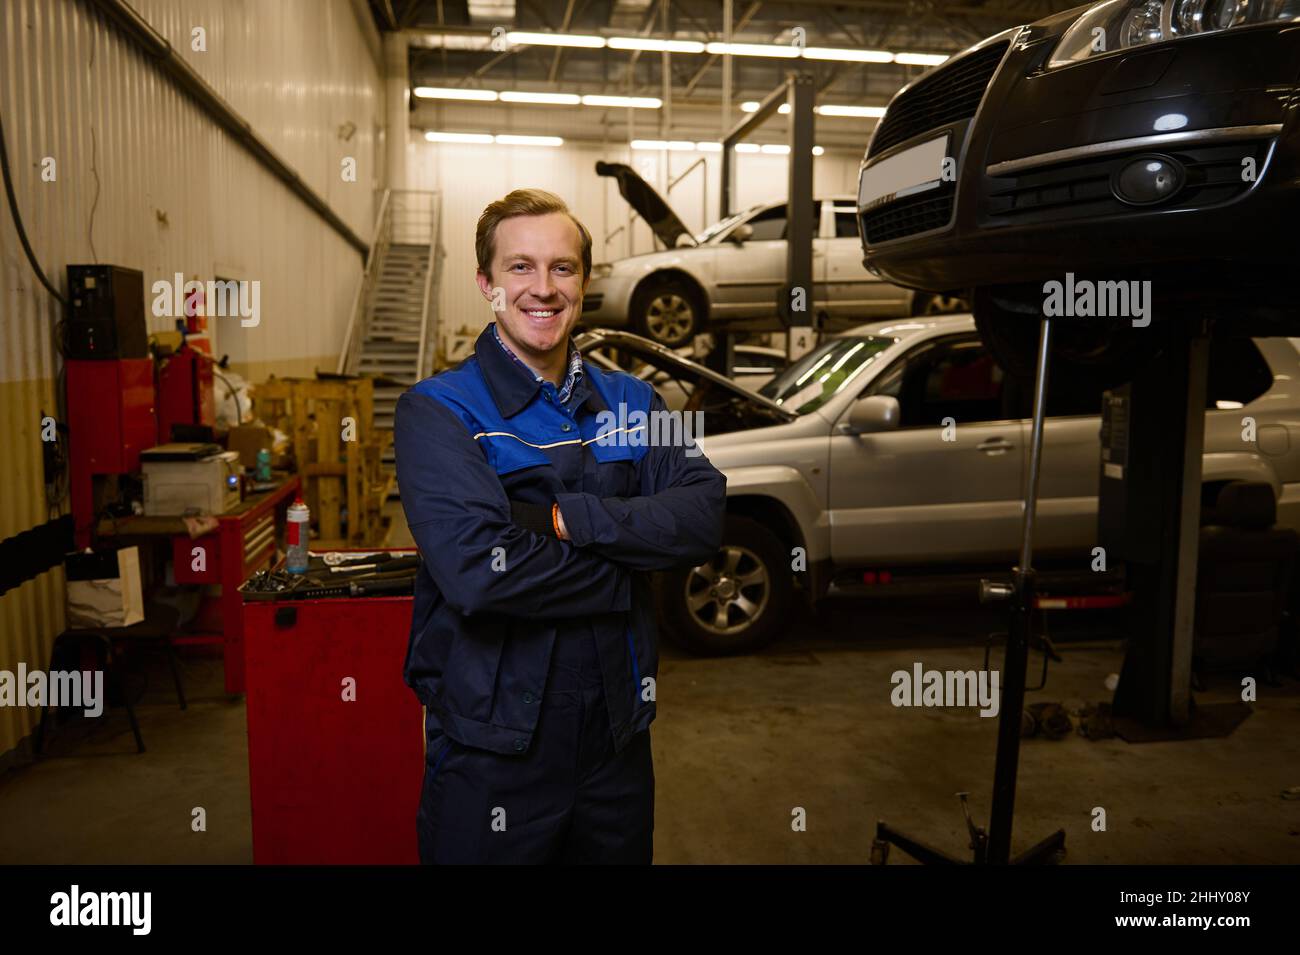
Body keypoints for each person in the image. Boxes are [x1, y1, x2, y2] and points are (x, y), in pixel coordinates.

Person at [394, 188, 726, 864]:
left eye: (563, 268)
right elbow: (477, 572)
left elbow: (702, 515)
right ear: (486, 283)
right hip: (492, 748)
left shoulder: (634, 401)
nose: (543, 288)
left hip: (617, 744)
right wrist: (629, 561)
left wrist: (560, 519)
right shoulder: (438, 410)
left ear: (585, 281)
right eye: (520, 268)